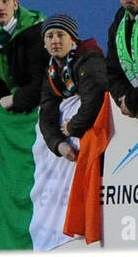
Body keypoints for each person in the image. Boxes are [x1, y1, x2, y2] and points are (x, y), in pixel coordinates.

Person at [38, 15, 108, 163]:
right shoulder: (51, 72)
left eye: (61, 35)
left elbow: (94, 100)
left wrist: (72, 127)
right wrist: (58, 144)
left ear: (72, 39)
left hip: (105, 137)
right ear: (44, 43)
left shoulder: (89, 59)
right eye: (49, 36)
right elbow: (46, 113)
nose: (55, 40)